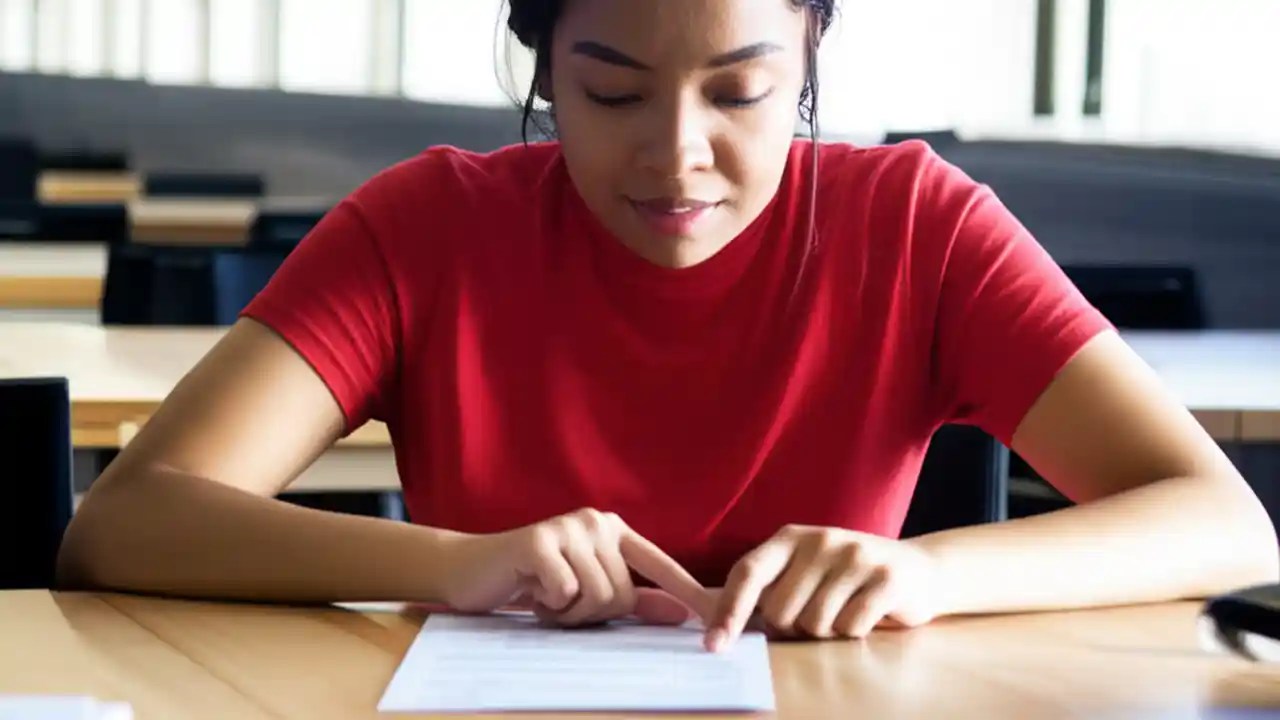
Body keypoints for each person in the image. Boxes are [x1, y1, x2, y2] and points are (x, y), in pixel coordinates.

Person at [57, 0, 1277, 654]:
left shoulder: (918, 225)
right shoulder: (426, 227)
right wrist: (450, 564)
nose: (677, 154)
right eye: (612, 93)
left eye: (739, 92)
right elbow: (125, 524)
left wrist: (927, 573)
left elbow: (1221, 521)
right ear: (545, 70)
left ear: (810, 49)